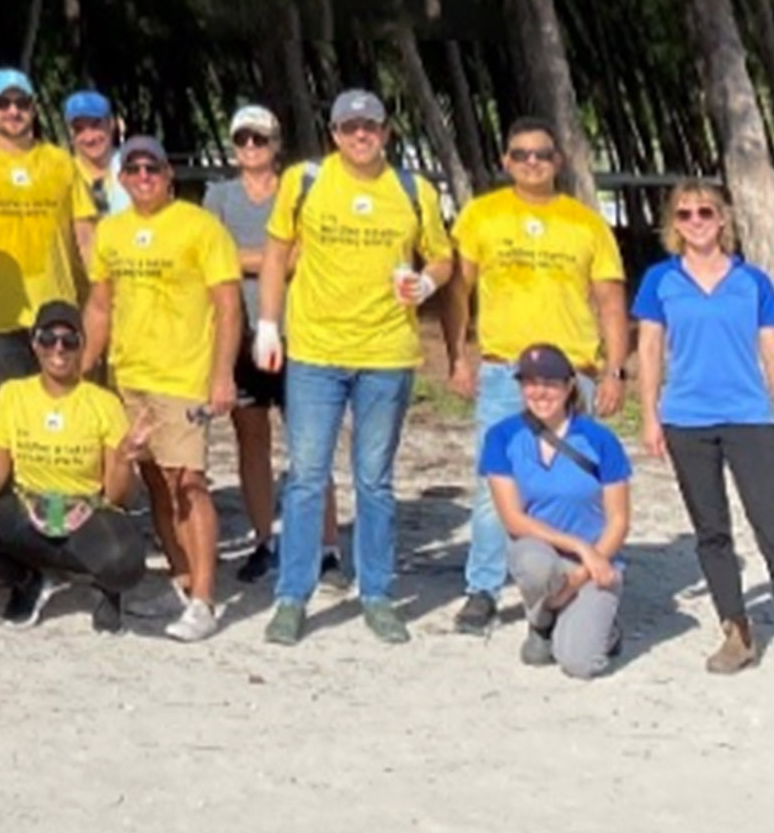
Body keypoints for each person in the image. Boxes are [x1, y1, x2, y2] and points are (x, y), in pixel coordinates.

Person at [257, 87, 452, 647]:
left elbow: (443, 256)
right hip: (316, 351)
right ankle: (292, 595)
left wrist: (428, 282)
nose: (360, 135)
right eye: (349, 127)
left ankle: (378, 593)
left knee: (375, 480)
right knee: (306, 477)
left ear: (386, 132)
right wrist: (268, 324)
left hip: (386, 353)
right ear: (334, 134)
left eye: (370, 126)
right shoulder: (305, 181)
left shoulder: (413, 190)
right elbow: (276, 253)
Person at [634, 181, 774, 690]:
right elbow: (649, 351)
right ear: (673, 224)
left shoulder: (752, 281)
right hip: (687, 419)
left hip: (749, 418)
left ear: (723, 219)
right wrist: (650, 415)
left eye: (705, 212)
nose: (696, 221)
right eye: (685, 214)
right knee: (712, 531)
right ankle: (736, 630)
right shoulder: (660, 280)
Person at [444, 116, 630, 634]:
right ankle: (483, 588)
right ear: (506, 161)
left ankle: (578, 577)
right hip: (507, 371)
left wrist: (615, 370)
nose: (532, 163)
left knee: (577, 480)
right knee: (495, 482)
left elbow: (610, 300)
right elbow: (458, 291)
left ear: (558, 162)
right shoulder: (481, 215)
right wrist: (458, 355)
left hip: (574, 371)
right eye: (521, 154)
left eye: (542, 155)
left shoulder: (585, 223)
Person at [86, 136, 239, 642]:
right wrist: (83, 368)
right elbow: (101, 306)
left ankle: (205, 599)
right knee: (153, 480)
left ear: (169, 175)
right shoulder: (111, 231)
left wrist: (222, 374)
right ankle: (182, 579)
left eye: (152, 167)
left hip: (183, 376)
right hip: (131, 375)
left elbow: (228, 306)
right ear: (121, 179)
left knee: (188, 482)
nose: (143, 177)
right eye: (133, 169)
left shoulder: (200, 227)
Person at [0, 302, 149, 630]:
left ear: (81, 346)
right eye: (48, 339)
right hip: (29, 504)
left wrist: (124, 458)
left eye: (69, 341)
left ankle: (103, 586)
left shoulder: (104, 403)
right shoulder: (13, 394)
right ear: (34, 344)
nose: (58, 349)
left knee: (123, 561)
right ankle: (30, 578)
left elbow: (117, 497)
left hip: (84, 508)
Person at [207, 103, 317, 587]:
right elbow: (212, 256)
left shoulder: (299, 192)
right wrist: (274, 257)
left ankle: (324, 546)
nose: (250, 147)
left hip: (299, 332)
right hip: (241, 332)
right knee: (251, 441)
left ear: (276, 144)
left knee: (309, 445)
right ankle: (263, 539)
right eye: (242, 139)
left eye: (259, 138)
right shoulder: (218, 196)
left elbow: (304, 257)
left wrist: (247, 258)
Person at [479, 344, 634, 679]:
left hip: (595, 560)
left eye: (550, 383)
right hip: (541, 549)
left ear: (569, 386)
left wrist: (586, 567)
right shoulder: (502, 437)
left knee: (579, 664)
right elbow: (512, 519)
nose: (540, 393)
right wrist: (578, 546)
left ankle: (601, 629)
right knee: (535, 563)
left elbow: (619, 519)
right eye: (530, 383)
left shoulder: (599, 439)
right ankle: (542, 621)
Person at [0, 69, 92, 387]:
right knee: (6, 414)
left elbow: (85, 235)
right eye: (3, 103)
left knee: (62, 410)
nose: (13, 111)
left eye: (22, 103)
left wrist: (97, 299)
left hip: (57, 314)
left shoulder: (61, 162)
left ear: (34, 107)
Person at [60, 89, 123, 200]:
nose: (89, 138)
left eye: (96, 126)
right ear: (70, 133)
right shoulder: (63, 177)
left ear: (111, 124)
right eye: (79, 129)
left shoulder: (135, 170)